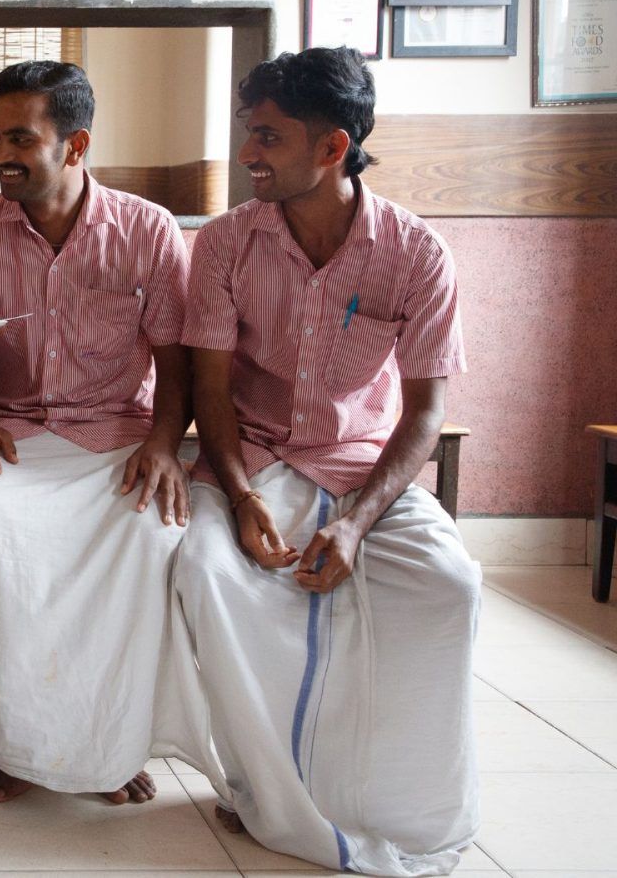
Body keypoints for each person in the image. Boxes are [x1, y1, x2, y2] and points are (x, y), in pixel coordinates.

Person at [174, 47, 480, 876]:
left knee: (450, 586)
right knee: (206, 572)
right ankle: (254, 786)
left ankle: (390, 796)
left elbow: (424, 415)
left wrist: (354, 523)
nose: (249, 155)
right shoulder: (226, 245)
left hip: (360, 468)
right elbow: (208, 389)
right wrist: (238, 498)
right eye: (249, 133)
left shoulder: (416, 254)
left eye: (269, 137)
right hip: (250, 458)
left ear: (333, 148)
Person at [0, 59, 213, 807]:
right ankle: (19, 745)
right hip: (11, 439)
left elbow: (175, 358)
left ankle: (110, 746)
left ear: (75, 146)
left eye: (19, 138)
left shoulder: (146, 229)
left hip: (116, 437)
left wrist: (161, 444)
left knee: (148, 536)